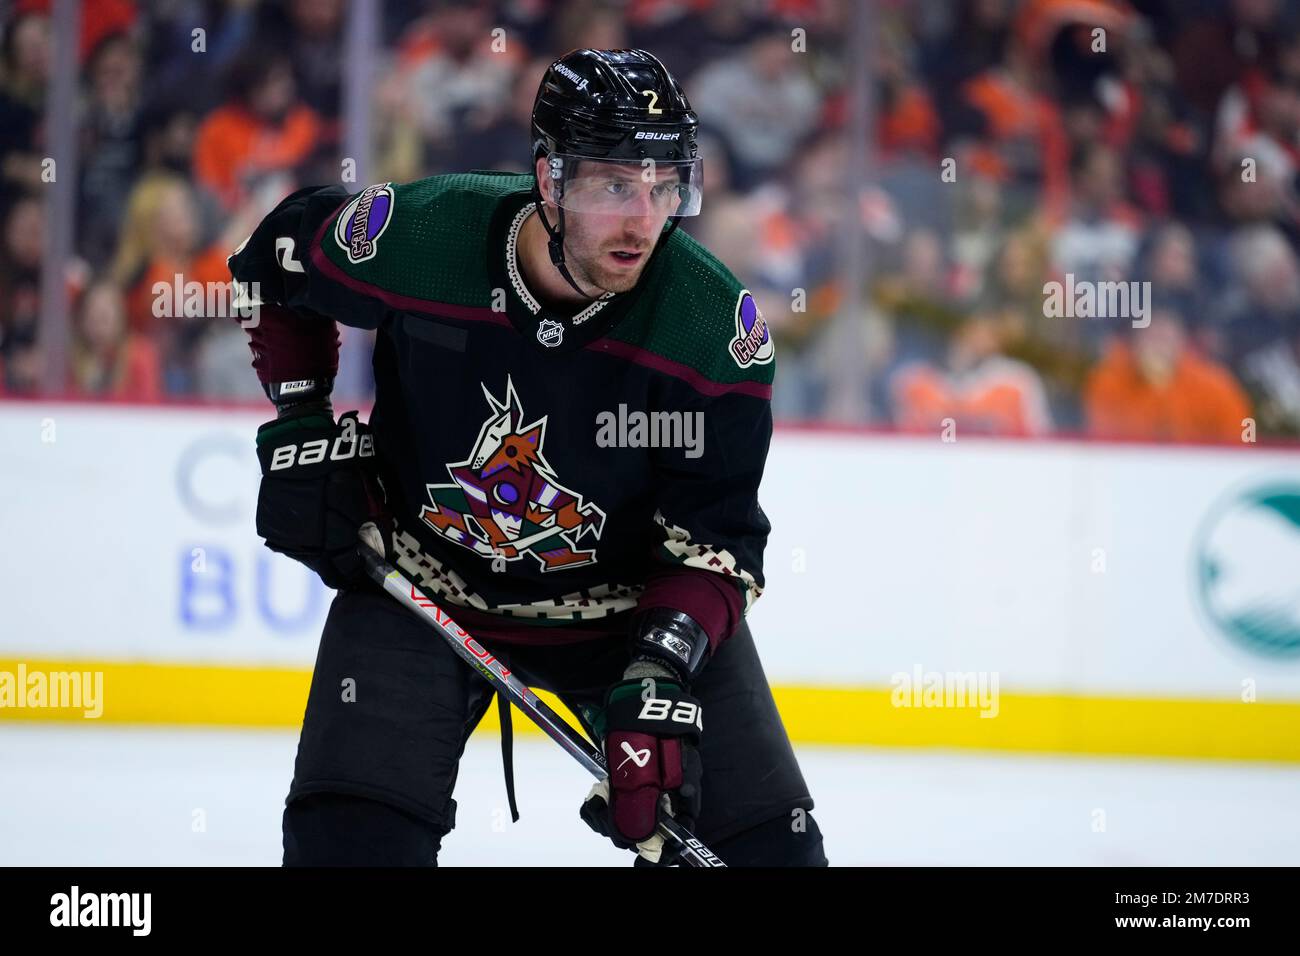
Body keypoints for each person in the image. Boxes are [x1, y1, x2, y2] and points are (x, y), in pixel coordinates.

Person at [227, 48, 827, 867]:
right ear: (547, 179)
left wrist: (658, 675)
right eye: (614, 184)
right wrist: (298, 420)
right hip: (421, 585)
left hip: (627, 613)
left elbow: (717, 542)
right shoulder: (420, 237)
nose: (642, 221)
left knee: (774, 856)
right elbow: (276, 261)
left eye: (665, 187)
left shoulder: (713, 330)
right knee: (346, 847)